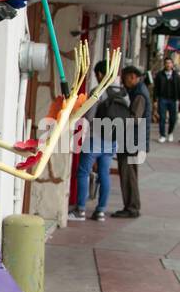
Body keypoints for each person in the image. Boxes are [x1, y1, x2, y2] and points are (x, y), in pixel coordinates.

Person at [71, 60, 123, 221]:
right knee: (104, 175)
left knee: (83, 172)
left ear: (100, 74)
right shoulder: (122, 92)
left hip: (95, 138)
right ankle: (100, 211)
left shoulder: (98, 91)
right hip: (112, 139)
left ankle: (80, 210)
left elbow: (89, 116)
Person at [114, 63, 150, 219]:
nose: (123, 82)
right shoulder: (136, 91)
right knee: (129, 174)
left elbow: (135, 118)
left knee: (129, 175)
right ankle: (131, 205)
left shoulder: (139, 94)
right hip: (133, 139)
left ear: (133, 77)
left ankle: (132, 207)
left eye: (125, 78)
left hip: (132, 141)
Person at [155, 53, 179, 142]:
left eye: (170, 63)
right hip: (162, 99)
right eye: (166, 63)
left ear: (172, 64)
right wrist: (155, 99)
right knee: (162, 117)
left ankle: (170, 133)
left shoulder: (176, 75)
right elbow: (156, 88)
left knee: (173, 118)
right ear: (164, 64)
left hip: (173, 99)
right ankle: (162, 135)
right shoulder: (160, 75)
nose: (168, 64)